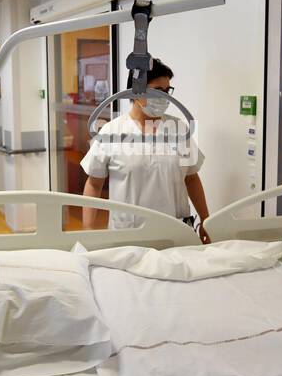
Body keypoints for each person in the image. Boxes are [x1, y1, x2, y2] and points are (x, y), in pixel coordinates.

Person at [81, 59, 211, 241]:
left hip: (176, 233)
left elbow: (191, 178)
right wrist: (87, 230)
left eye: (167, 91)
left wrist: (206, 221)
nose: (165, 98)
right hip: (128, 236)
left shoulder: (179, 128)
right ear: (135, 90)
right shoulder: (112, 131)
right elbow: (94, 184)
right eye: (158, 91)